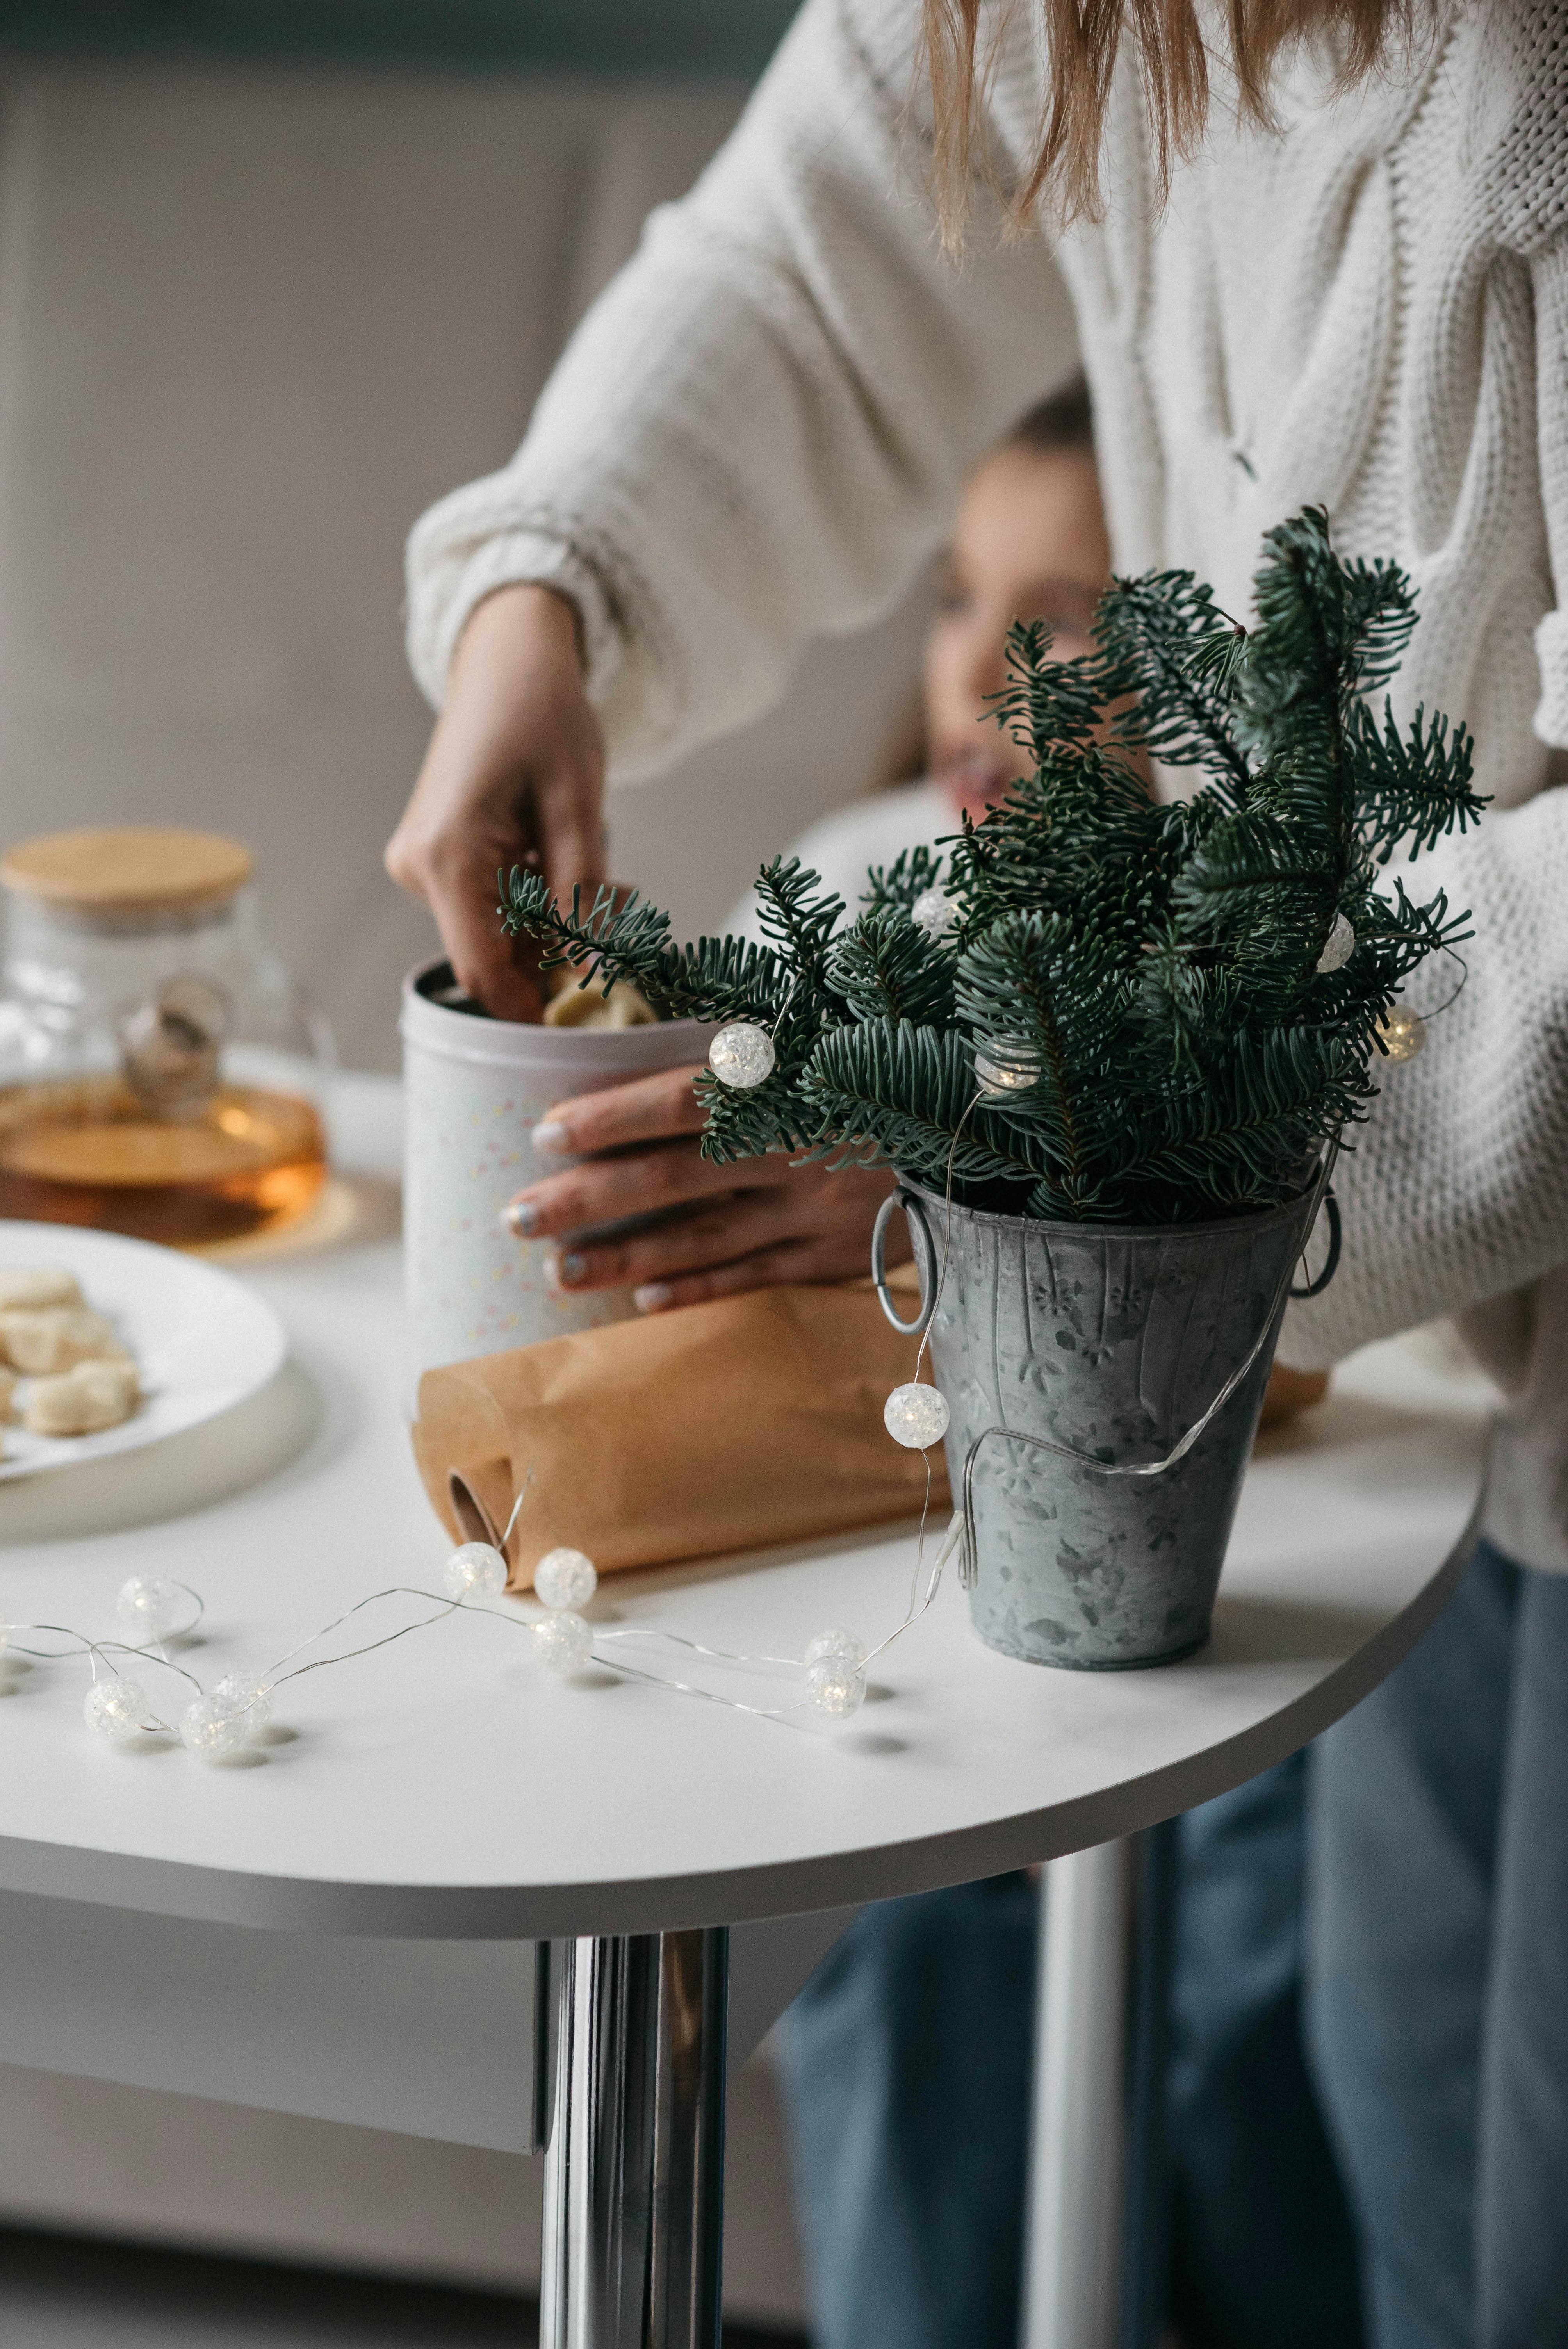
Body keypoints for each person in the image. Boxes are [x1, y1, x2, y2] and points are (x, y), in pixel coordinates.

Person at [387, 5, 1568, 2343]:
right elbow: (811, 281)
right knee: (1412, 2158)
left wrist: (1030, 1125)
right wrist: (556, 596)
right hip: (1440, 1382)